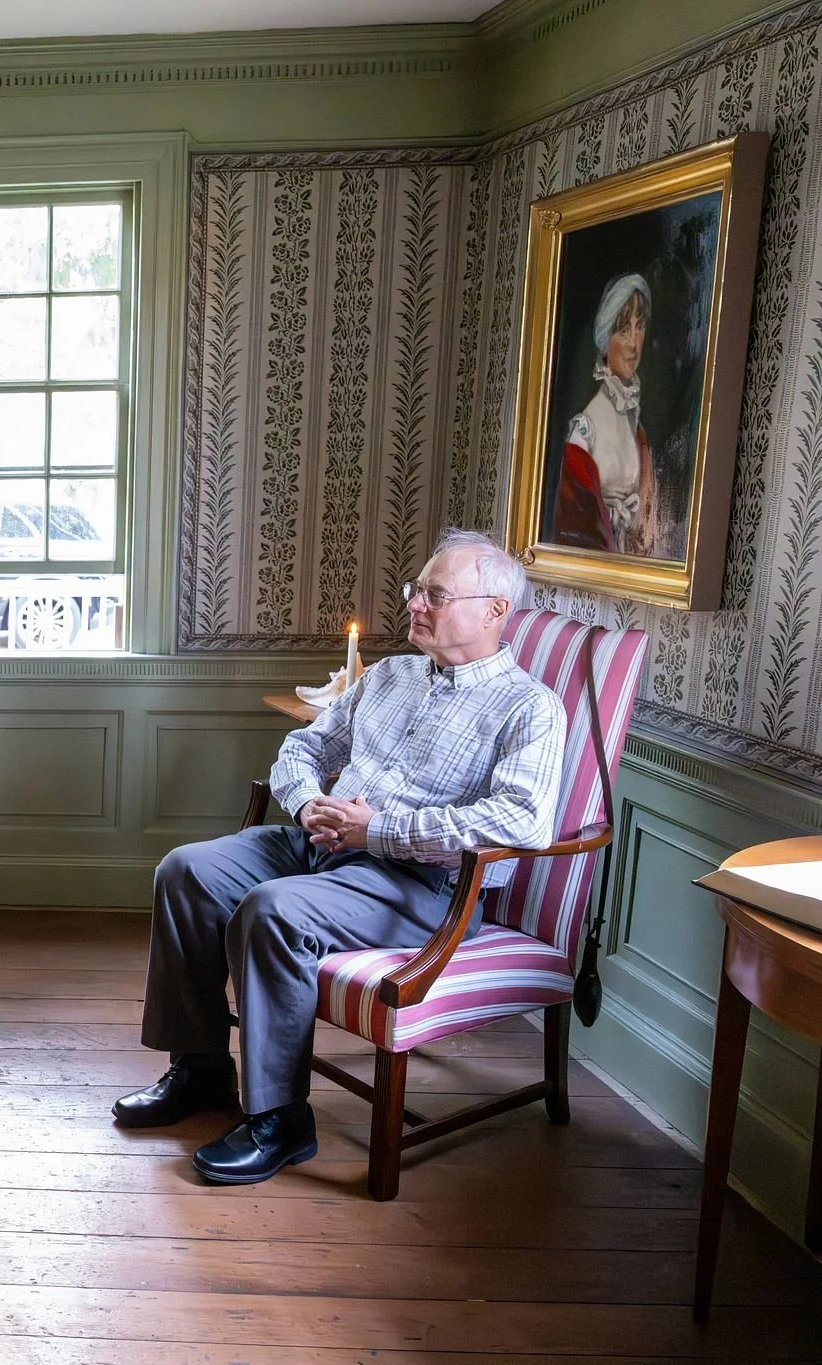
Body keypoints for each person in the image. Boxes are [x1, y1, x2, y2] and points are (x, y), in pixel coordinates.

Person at [114, 530, 566, 1185]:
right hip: (323, 841)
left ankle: (281, 1121)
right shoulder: (389, 675)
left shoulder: (528, 708)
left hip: (420, 884)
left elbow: (518, 821)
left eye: (434, 595)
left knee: (275, 910)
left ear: (494, 610)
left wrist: (376, 830)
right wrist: (305, 806)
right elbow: (303, 750)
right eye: (416, 589)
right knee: (185, 871)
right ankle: (203, 1068)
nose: (413, 603)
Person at [554, 273, 663, 556]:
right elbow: (575, 527)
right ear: (605, 340)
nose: (633, 344)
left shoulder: (636, 427)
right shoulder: (586, 428)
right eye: (623, 330)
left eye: (639, 327)